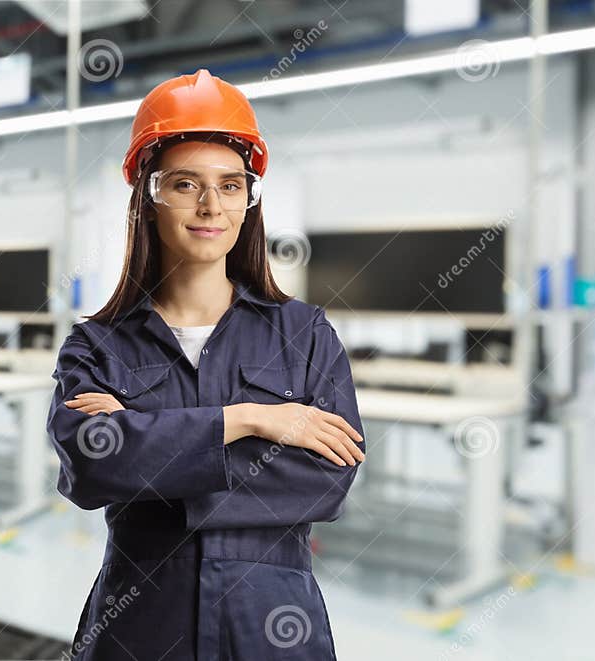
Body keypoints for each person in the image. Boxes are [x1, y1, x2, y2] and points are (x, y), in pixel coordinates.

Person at [46, 69, 366, 661]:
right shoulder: (96, 345)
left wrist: (145, 442)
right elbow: (90, 465)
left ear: (250, 199)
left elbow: (327, 479)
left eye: (231, 184)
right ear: (148, 194)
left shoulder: (304, 333)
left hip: (272, 624)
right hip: (139, 621)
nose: (211, 204)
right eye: (185, 184)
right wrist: (246, 421)